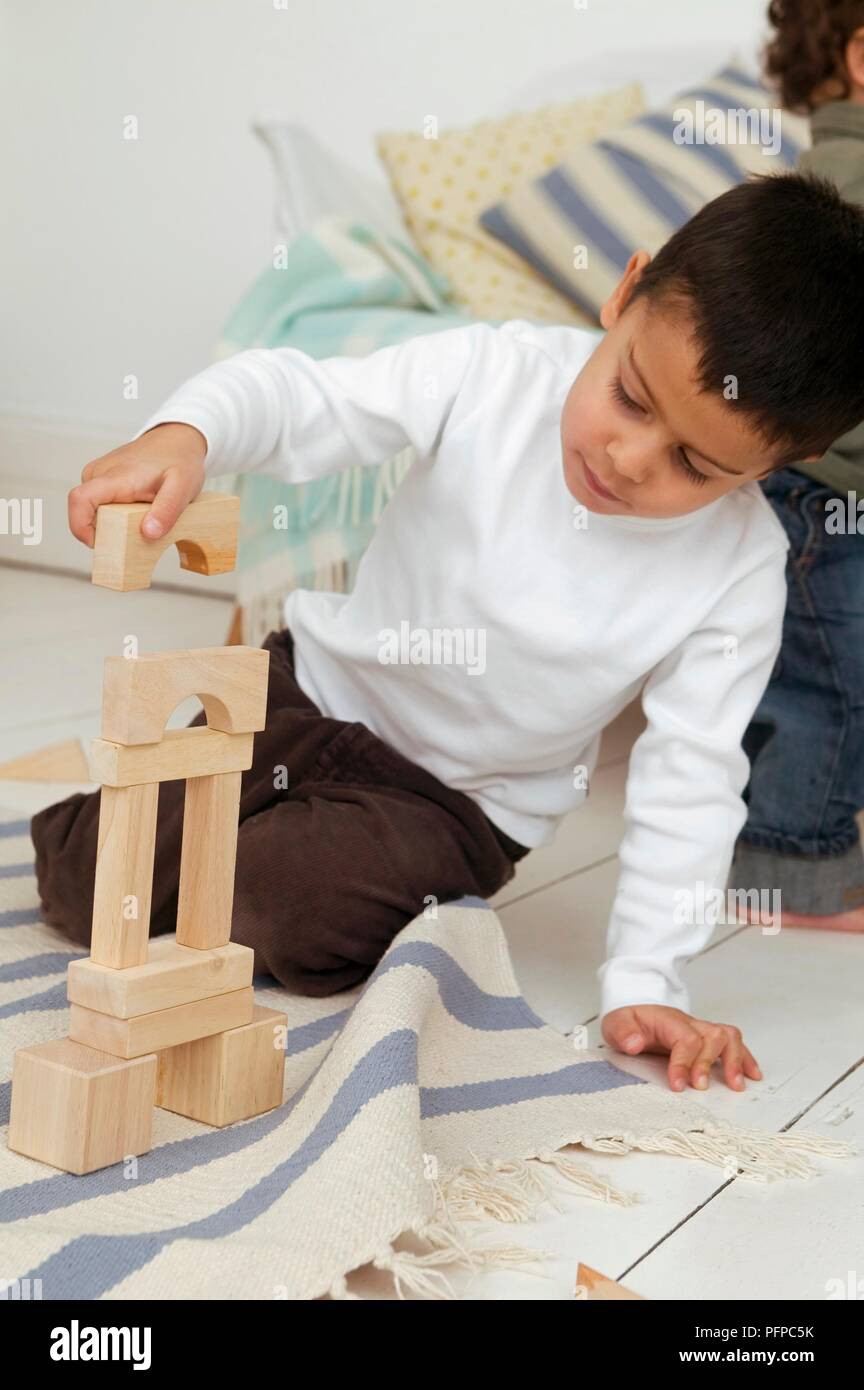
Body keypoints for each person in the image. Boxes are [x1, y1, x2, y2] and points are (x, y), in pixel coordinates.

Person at [32, 172, 864, 1094]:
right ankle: (227, 837)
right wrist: (188, 432)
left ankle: (378, 891)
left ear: (781, 465)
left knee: (278, 899)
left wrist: (645, 979)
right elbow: (306, 398)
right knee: (79, 877)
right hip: (303, 696)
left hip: (450, 807)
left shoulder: (742, 568)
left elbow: (694, 777)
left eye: (694, 465)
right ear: (625, 293)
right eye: (630, 398)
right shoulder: (495, 371)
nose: (629, 462)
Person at [728, 0, 864, 927]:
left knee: (815, 675)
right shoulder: (847, 178)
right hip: (824, 496)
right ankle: (788, 875)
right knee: (831, 686)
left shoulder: (825, 175)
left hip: (821, 487)